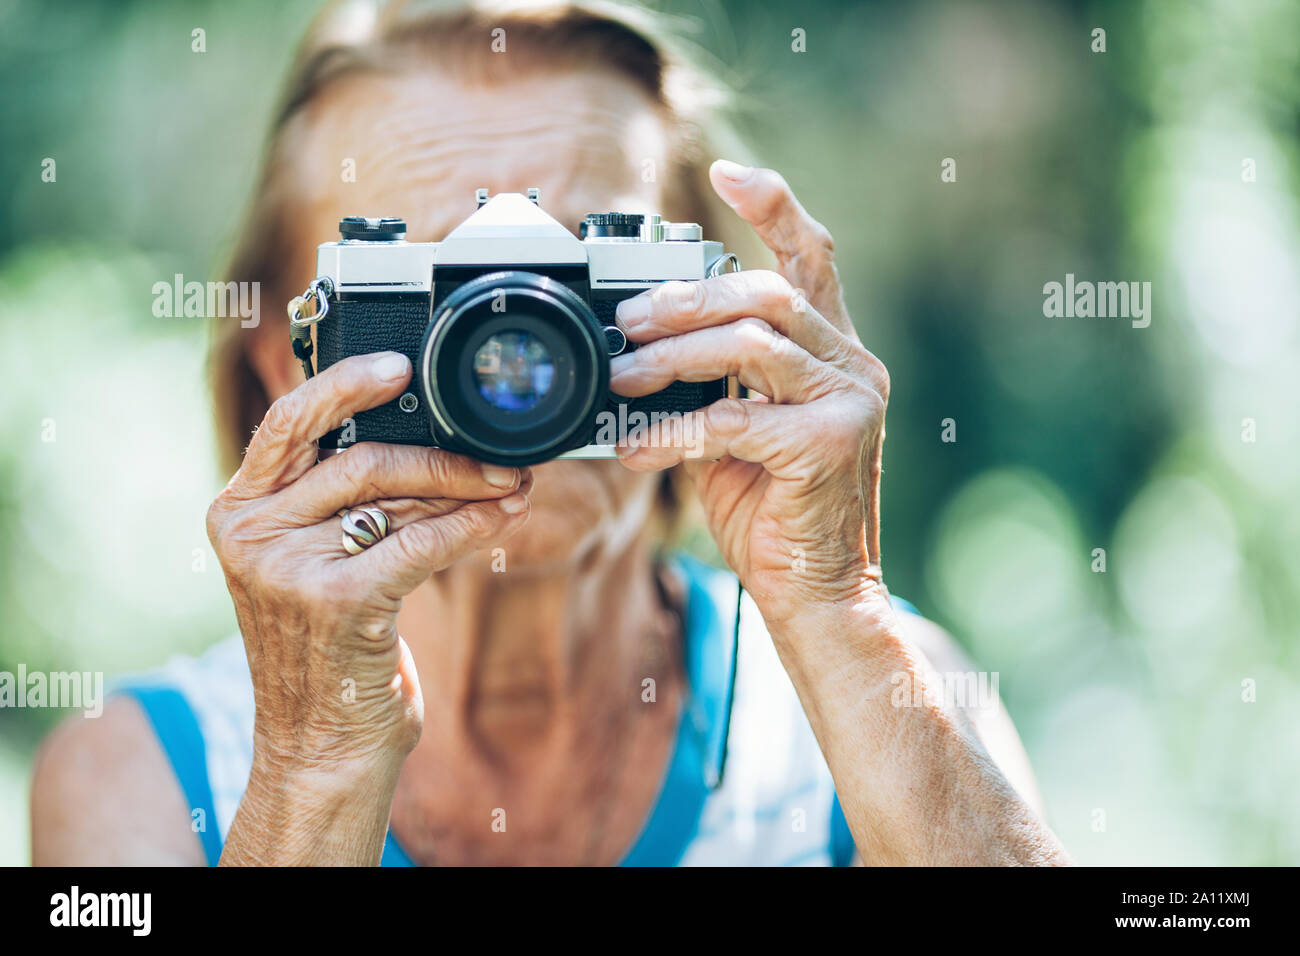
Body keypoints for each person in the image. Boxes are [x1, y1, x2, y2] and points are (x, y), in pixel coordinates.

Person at [31, 0, 1069, 866]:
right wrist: (312, 770)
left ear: (708, 315)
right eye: (442, 285)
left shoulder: (877, 699)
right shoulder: (144, 773)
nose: (518, 343)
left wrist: (838, 607)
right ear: (281, 355)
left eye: (584, 274)